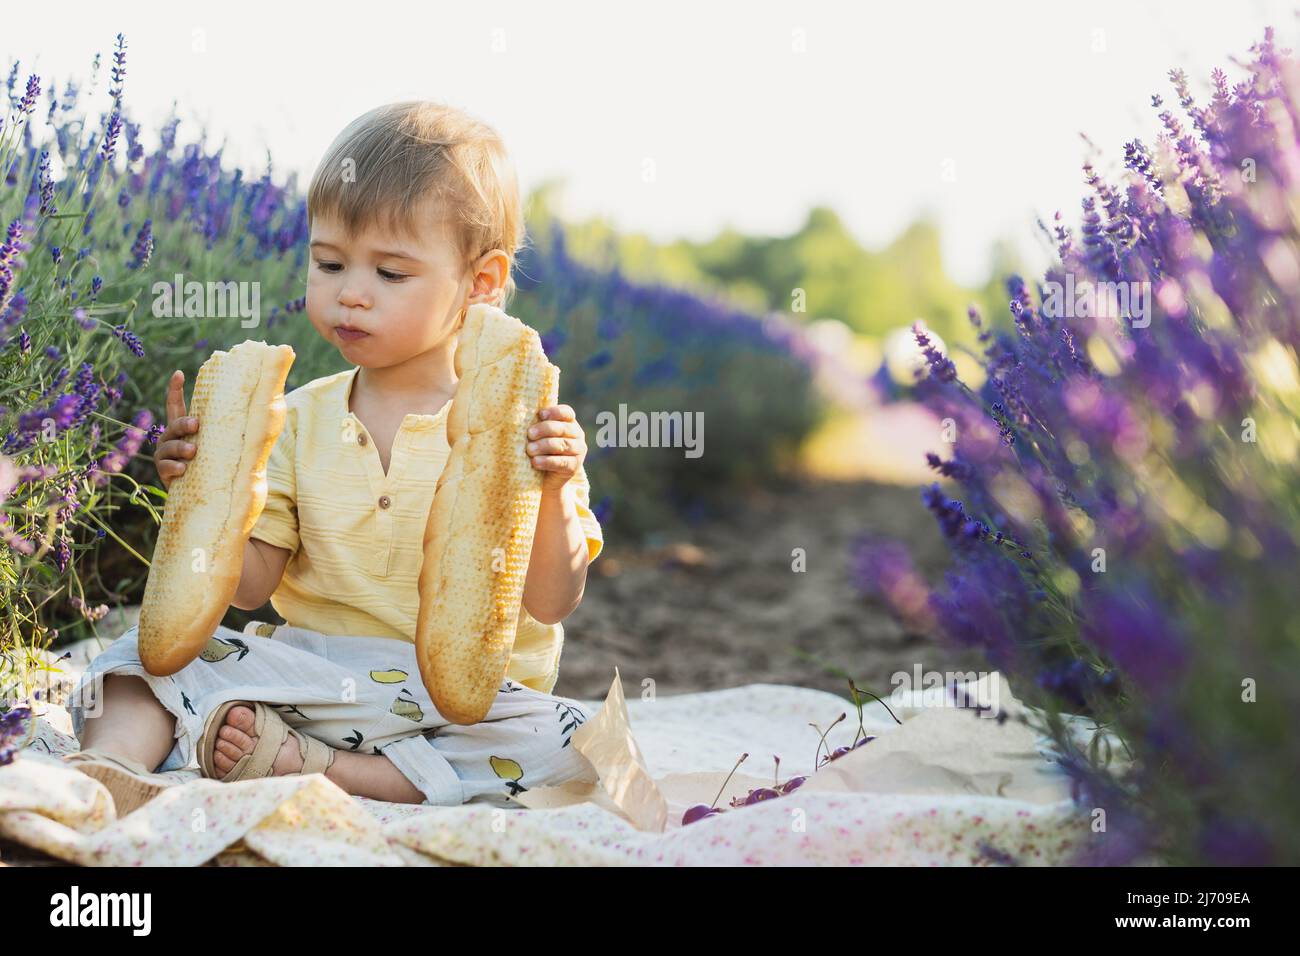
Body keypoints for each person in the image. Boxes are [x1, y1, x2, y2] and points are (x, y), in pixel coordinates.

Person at [64, 101, 604, 815]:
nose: (350, 292)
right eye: (328, 263)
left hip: (456, 709)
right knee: (131, 660)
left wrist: (557, 490)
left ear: (480, 283)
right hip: (311, 676)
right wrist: (203, 496)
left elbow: (551, 600)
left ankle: (325, 769)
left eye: (389, 272)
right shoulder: (298, 417)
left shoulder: (522, 427)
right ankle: (106, 772)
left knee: (569, 742)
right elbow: (252, 588)